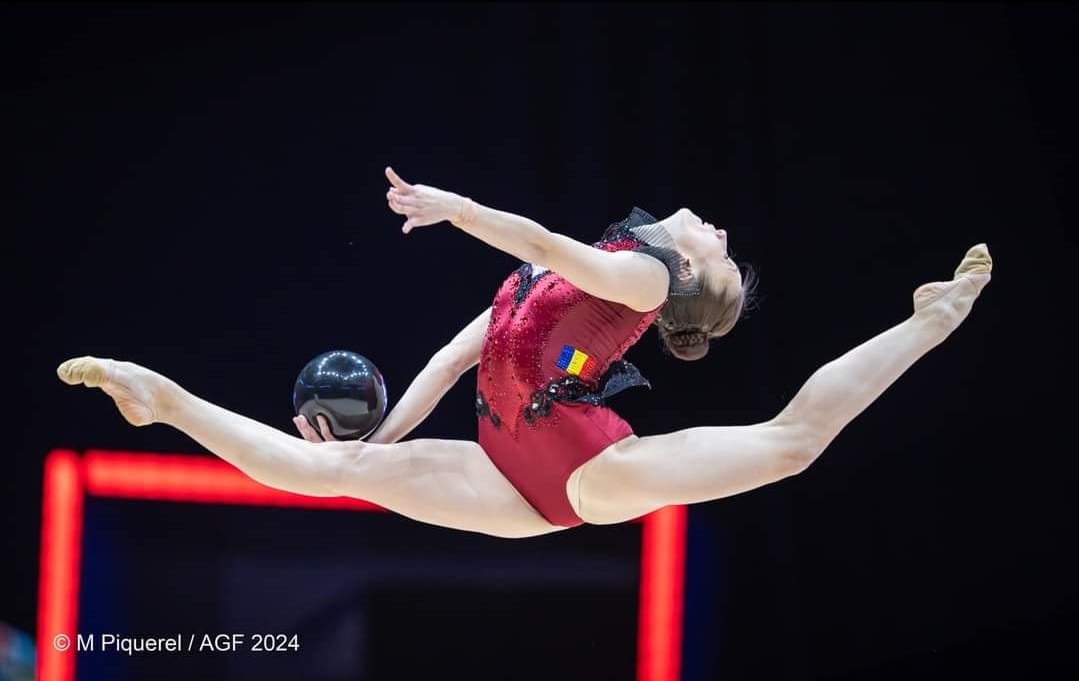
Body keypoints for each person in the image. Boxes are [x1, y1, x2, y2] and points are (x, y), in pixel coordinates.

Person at [57, 167, 993, 539]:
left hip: (585, 473)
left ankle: (927, 321)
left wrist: (456, 209)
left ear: (688, 277)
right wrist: (378, 440)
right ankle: (162, 398)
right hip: (504, 474)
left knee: (790, 443)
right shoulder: (545, 293)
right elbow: (452, 359)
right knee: (328, 470)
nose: (715, 226)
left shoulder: (641, 282)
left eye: (718, 249)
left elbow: (547, 246)